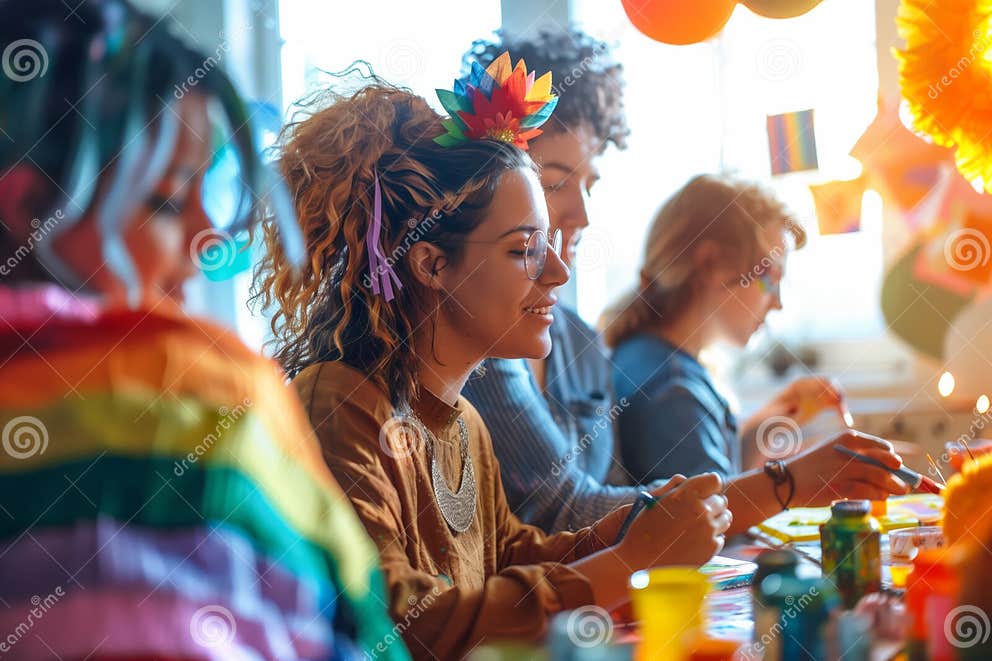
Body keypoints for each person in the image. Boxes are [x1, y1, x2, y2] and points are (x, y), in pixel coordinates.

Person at [253, 56, 731, 660]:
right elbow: (402, 623)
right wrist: (633, 561)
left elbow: (508, 556)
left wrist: (627, 529)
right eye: (523, 250)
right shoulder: (340, 404)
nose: (556, 271)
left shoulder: (465, 424)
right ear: (430, 264)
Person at [0, 1, 404, 658]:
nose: (203, 238)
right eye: (164, 198)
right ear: (27, 210)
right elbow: (362, 631)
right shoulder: (203, 392)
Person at [460, 30, 911, 539]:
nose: (583, 214)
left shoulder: (580, 342)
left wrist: (769, 445)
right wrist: (787, 483)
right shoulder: (482, 345)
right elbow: (566, 512)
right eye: (555, 182)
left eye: (590, 185)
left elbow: (621, 491)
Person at [604, 174, 910, 503]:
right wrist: (802, 479)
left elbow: (718, 480)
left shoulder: (655, 360)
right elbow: (712, 515)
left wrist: (763, 428)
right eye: (770, 278)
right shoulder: (670, 389)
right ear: (710, 264)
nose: (777, 302)